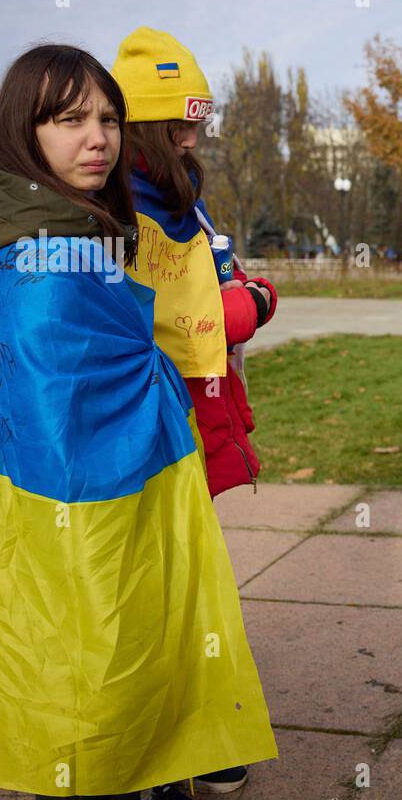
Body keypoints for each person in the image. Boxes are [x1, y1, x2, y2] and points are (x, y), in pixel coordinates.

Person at [0, 44, 278, 800]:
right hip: (68, 501)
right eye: (68, 121)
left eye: (106, 118)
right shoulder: (42, 252)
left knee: (116, 646)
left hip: (84, 495)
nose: (96, 137)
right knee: (85, 655)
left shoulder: (74, 222)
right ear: (23, 132)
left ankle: (140, 786)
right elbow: (60, 382)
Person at [112, 27, 279, 504]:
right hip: (164, 410)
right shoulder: (124, 207)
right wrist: (252, 304)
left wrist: (245, 289)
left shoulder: (180, 194)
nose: (191, 139)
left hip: (195, 399)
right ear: (140, 127)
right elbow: (157, 321)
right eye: (176, 127)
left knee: (186, 550)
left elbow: (220, 267)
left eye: (197, 123)